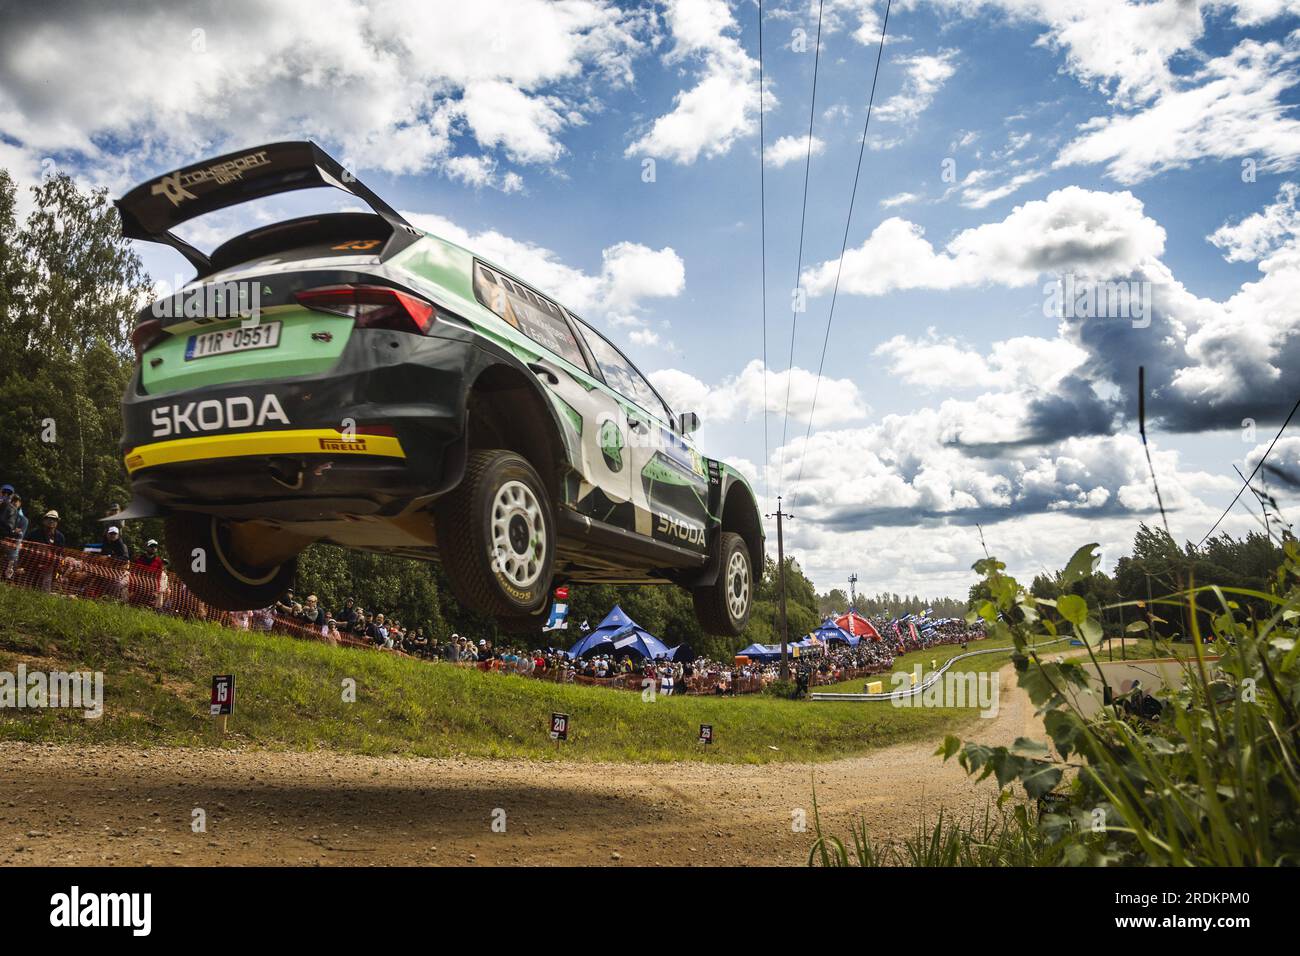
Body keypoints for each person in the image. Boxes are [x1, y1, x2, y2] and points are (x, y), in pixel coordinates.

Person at [24, 510, 66, 591]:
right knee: (28, 587)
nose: (51, 521)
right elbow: (25, 548)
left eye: (54, 519)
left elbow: (61, 554)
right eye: (49, 518)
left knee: (45, 590)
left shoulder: (60, 537)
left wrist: (59, 569)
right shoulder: (34, 533)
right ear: (44, 520)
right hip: (33, 564)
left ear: (57, 523)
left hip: (50, 566)